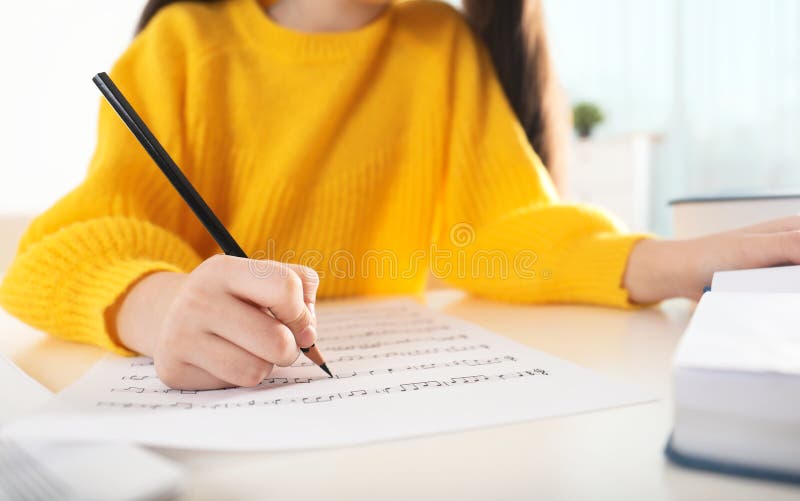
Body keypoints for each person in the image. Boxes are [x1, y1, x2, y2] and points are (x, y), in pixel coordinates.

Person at [1, 0, 798, 391]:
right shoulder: (182, 48)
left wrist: (669, 260)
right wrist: (158, 308)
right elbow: (55, 255)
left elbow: (508, 227)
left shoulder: (440, 47)